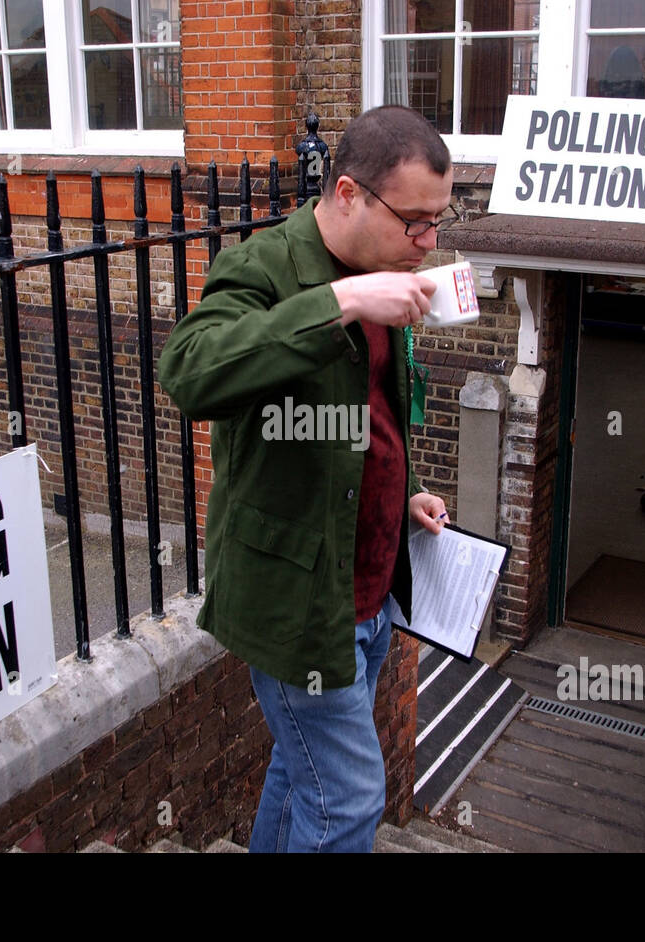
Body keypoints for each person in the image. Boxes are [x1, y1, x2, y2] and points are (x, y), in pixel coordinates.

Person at [159, 105, 452, 852]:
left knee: (304, 776)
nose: (428, 242)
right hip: (298, 604)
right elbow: (191, 371)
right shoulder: (266, 266)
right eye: (414, 222)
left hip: (371, 593)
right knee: (351, 799)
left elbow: (372, 414)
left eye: (439, 222)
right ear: (349, 194)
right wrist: (343, 303)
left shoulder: (389, 267)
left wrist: (404, 486)